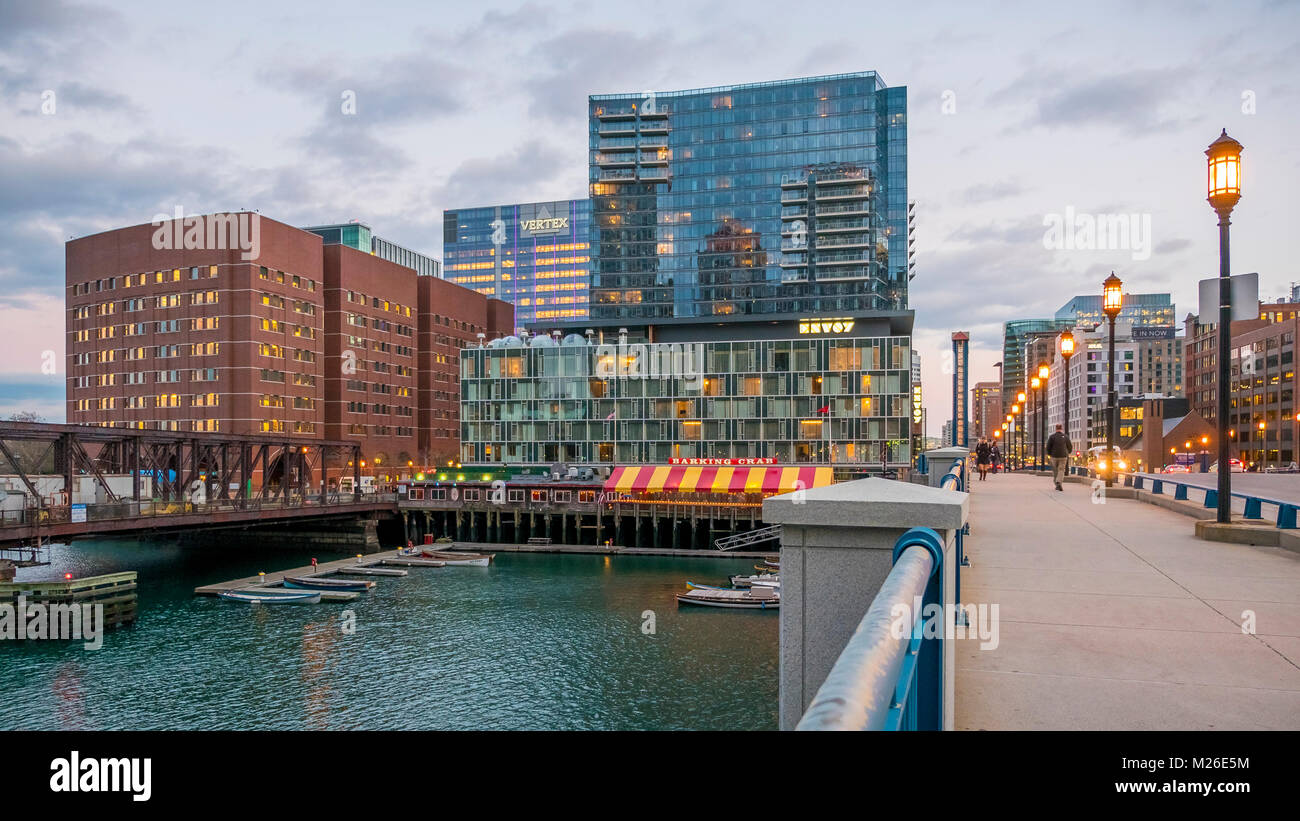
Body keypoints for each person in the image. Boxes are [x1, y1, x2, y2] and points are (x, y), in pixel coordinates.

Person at [1046, 424, 1072, 491]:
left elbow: (1048, 447)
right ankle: (1059, 482)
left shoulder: (1052, 437)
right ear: (1061, 428)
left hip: (1054, 456)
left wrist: (1049, 454)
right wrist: (1067, 452)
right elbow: (1070, 446)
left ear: (1056, 429)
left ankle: (1057, 483)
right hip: (1063, 456)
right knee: (1061, 470)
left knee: (1055, 471)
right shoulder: (1065, 437)